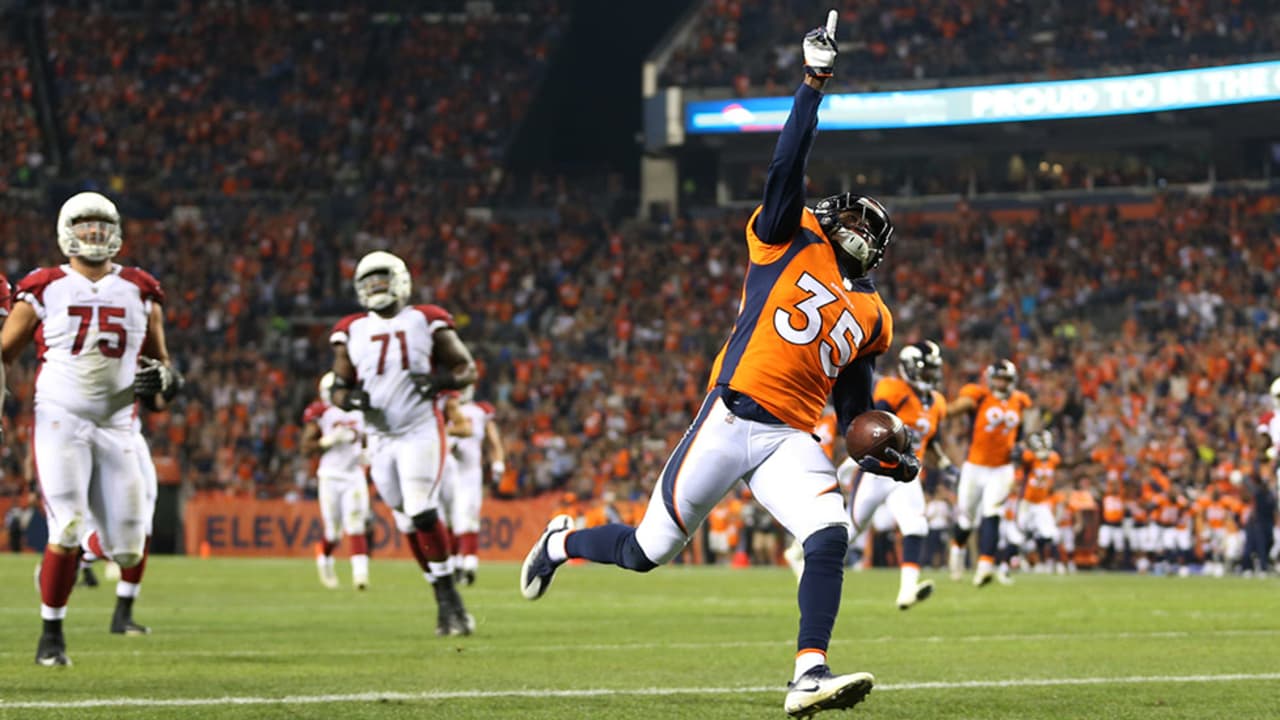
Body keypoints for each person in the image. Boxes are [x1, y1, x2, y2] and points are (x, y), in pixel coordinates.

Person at [518, 12, 919, 717]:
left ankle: (808, 672)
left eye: (860, 222)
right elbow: (785, 163)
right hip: (730, 415)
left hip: (789, 437)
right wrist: (811, 84)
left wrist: (884, 455)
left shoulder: (875, 316)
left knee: (830, 533)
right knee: (646, 551)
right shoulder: (785, 240)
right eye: (847, 215)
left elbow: (853, 411)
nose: (845, 221)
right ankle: (561, 542)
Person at [2, 192, 181, 666]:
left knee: (126, 548)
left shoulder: (141, 288)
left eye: (102, 226)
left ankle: (76, 558)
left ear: (117, 231)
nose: (95, 235)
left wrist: (167, 382)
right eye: (85, 227)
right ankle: (51, 635)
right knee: (68, 523)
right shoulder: (44, 286)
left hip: (120, 425)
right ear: (67, 232)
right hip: (61, 418)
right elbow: (4, 351)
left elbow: (162, 369)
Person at [329, 250, 478, 636]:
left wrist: (439, 383)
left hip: (418, 429)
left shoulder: (425, 320)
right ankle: (443, 596)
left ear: (399, 280)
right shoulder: (351, 329)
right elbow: (339, 388)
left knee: (420, 508)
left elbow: (466, 368)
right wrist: (350, 400)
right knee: (404, 515)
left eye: (382, 279)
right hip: (379, 437)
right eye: (370, 282)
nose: (376, 288)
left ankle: (451, 601)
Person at [842, 341, 951, 609]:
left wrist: (945, 463)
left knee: (916, 526)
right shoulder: (894, 390)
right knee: (848, 532)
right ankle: (800, 553)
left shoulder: (936, 402)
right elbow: (872, 425)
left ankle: (907, 591)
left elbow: (933, 438)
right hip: (878, 471)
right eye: (925, 372)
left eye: (932, 372)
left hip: (906, 474)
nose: (930, 377)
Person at [945, 359, 1034, 586]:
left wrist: (1021, 447)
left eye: (1006, 379)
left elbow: (1024, 431)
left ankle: (985, 566)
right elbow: (955, 408)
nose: (1002, 383)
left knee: (993, 512)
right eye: (999, 378)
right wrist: (943, 408)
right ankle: (957, 552)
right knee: (966, 519)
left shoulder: (1020, 401)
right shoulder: (979, 395)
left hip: (1002, 468)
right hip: (975, 467)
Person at [302, 372, 371, 590]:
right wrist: (326, 441)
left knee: (356, 523)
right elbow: (305, 447)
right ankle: (324, 561)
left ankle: (360, 575)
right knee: (333, 531)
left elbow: (369, 440)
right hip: (331, 476)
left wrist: (368, 453)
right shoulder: (323, 413)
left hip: (354, 475)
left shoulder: (361, 412)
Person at [440, 388, 503, 586]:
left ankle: (469, 564)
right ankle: (454, 563)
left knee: (467, 517)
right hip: (447, 468)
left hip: (469, 471)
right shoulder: (442, 408)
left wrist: (498, 461)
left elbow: (493, 439)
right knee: (449, 518)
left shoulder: (480, 411)